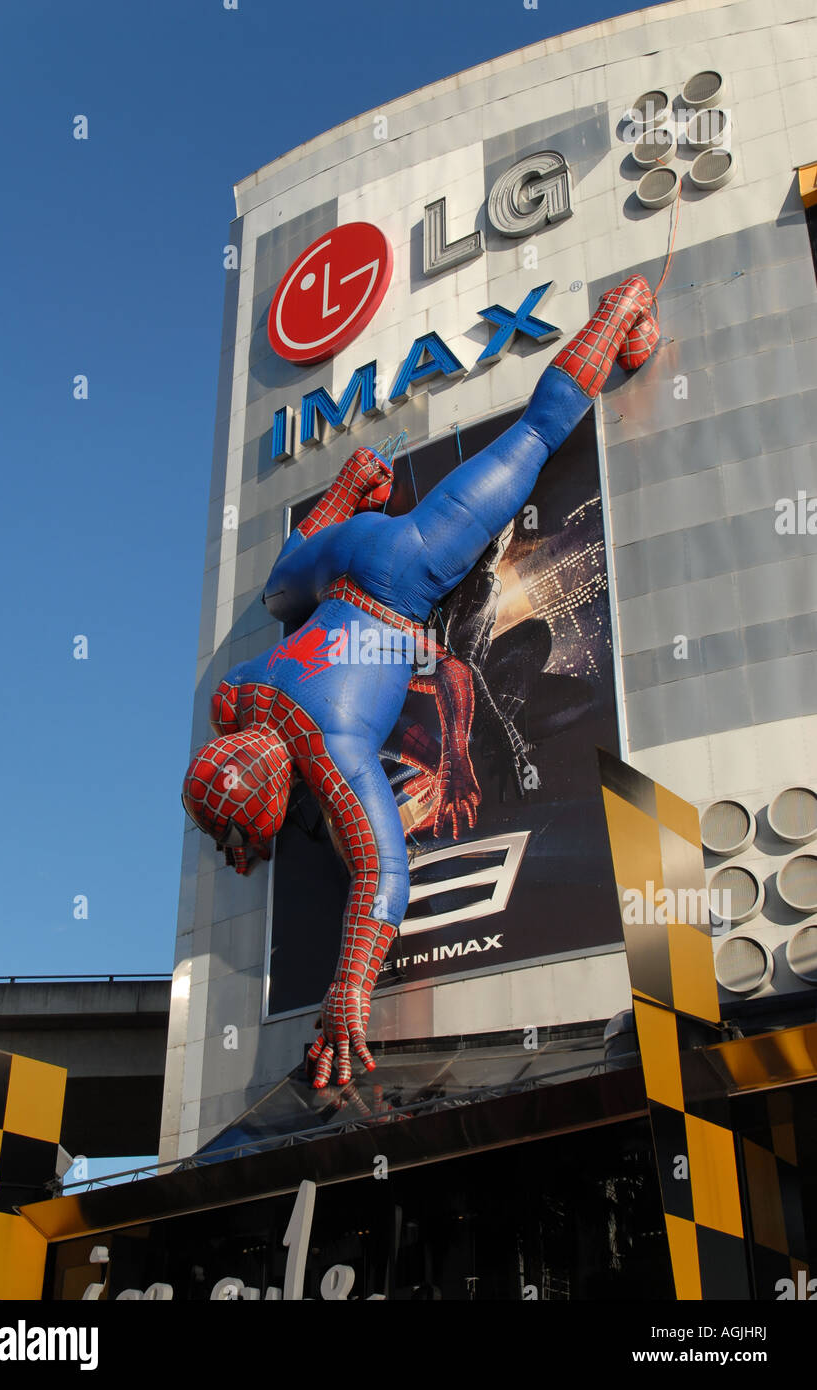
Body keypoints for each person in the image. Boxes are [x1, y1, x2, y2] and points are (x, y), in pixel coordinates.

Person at [182, 274, 659, 1088]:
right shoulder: (244, 694)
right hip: (334, 565)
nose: (243, 848)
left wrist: (347, 993)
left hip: (407, 573)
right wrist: (242, 810)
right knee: (274, 594)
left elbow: (382, 872)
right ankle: (342, 493)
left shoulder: (330, 753)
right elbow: (242, 722)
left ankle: (614, 317)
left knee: (533, 443)